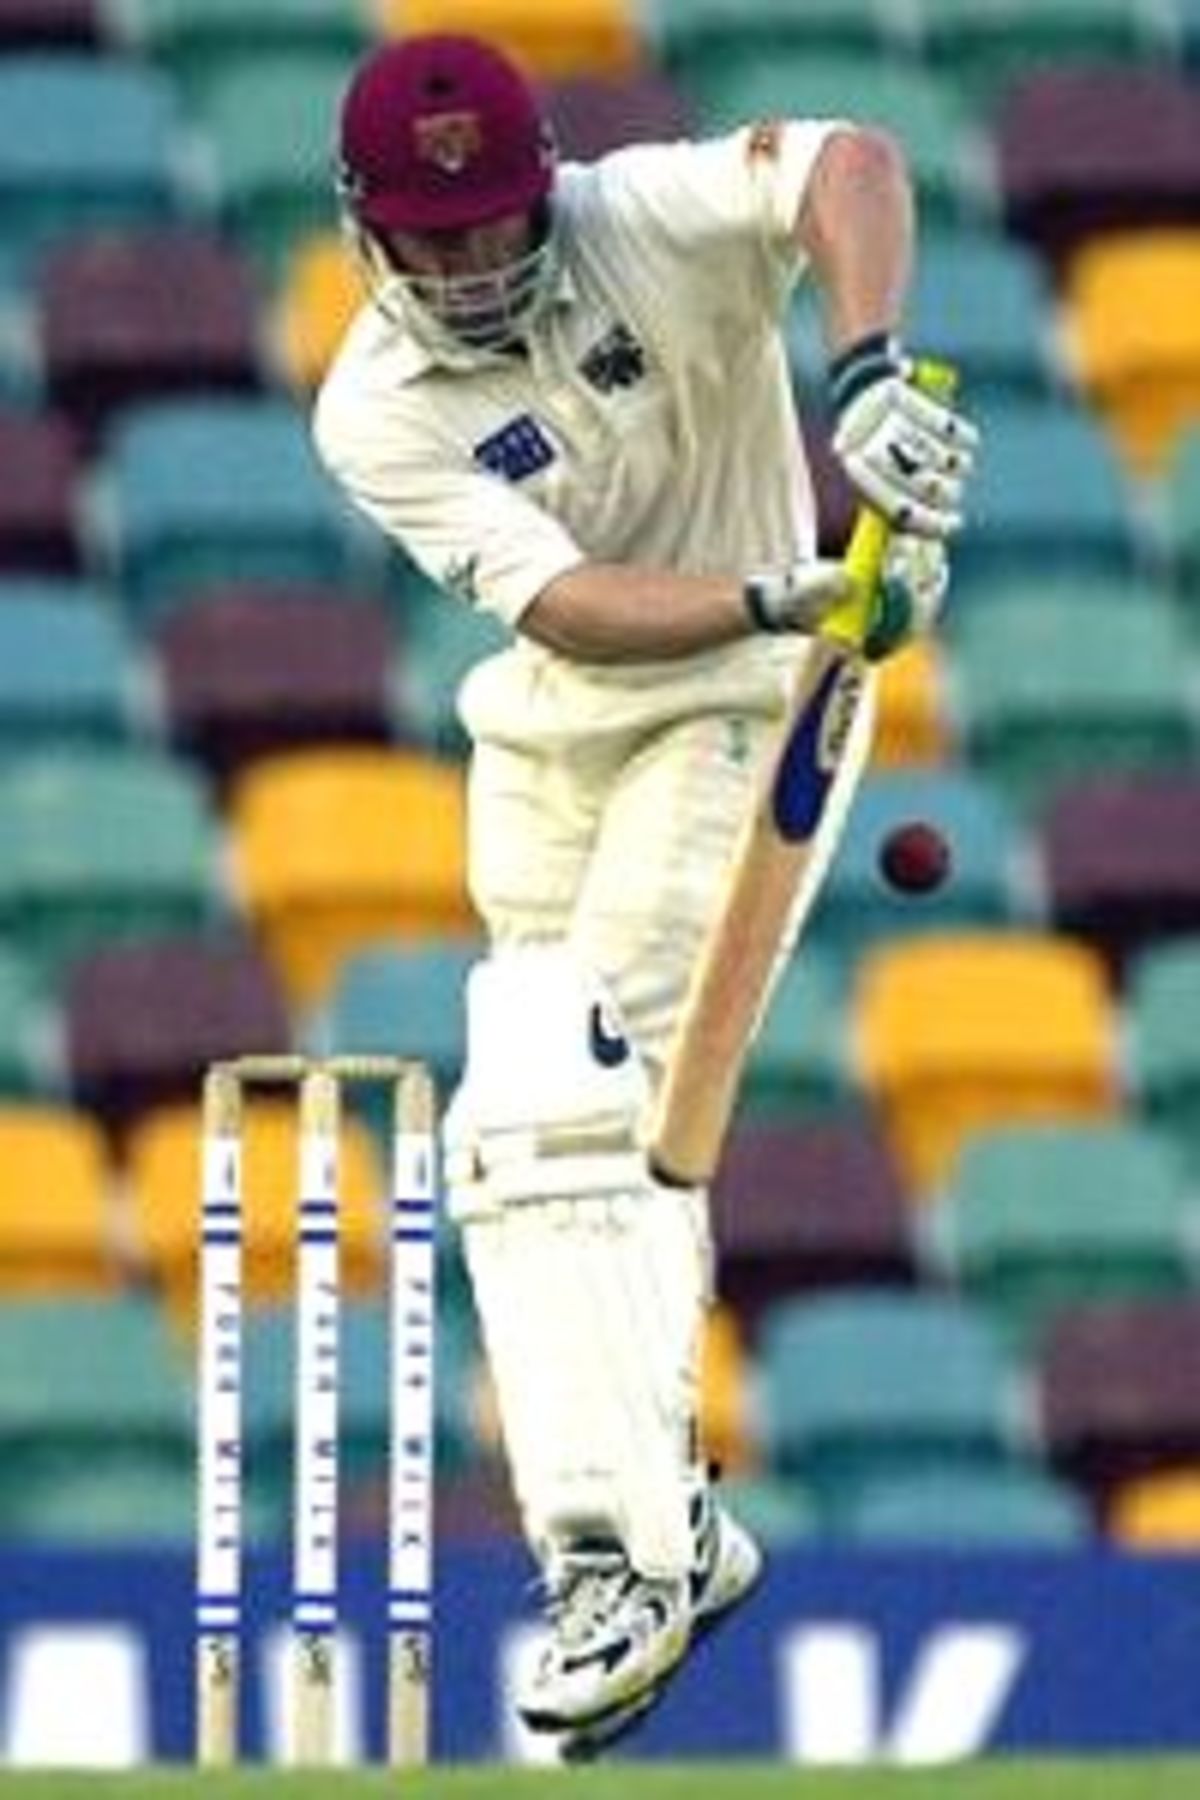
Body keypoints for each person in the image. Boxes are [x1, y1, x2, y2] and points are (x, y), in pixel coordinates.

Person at [316, 32, 978, 1758]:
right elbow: (569, 607)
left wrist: (869, 375)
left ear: (546, 189)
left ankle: (617, 1552)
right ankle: (671, 1514)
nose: (467, 270)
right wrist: (786, 589)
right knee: (523, 1136)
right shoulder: (372, 406)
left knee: (558, 1074)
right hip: (559, 726)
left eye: (492, 228)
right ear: (362, 226)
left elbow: (851, 162)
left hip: (735, 725)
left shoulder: (642, 215)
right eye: (429, 239)